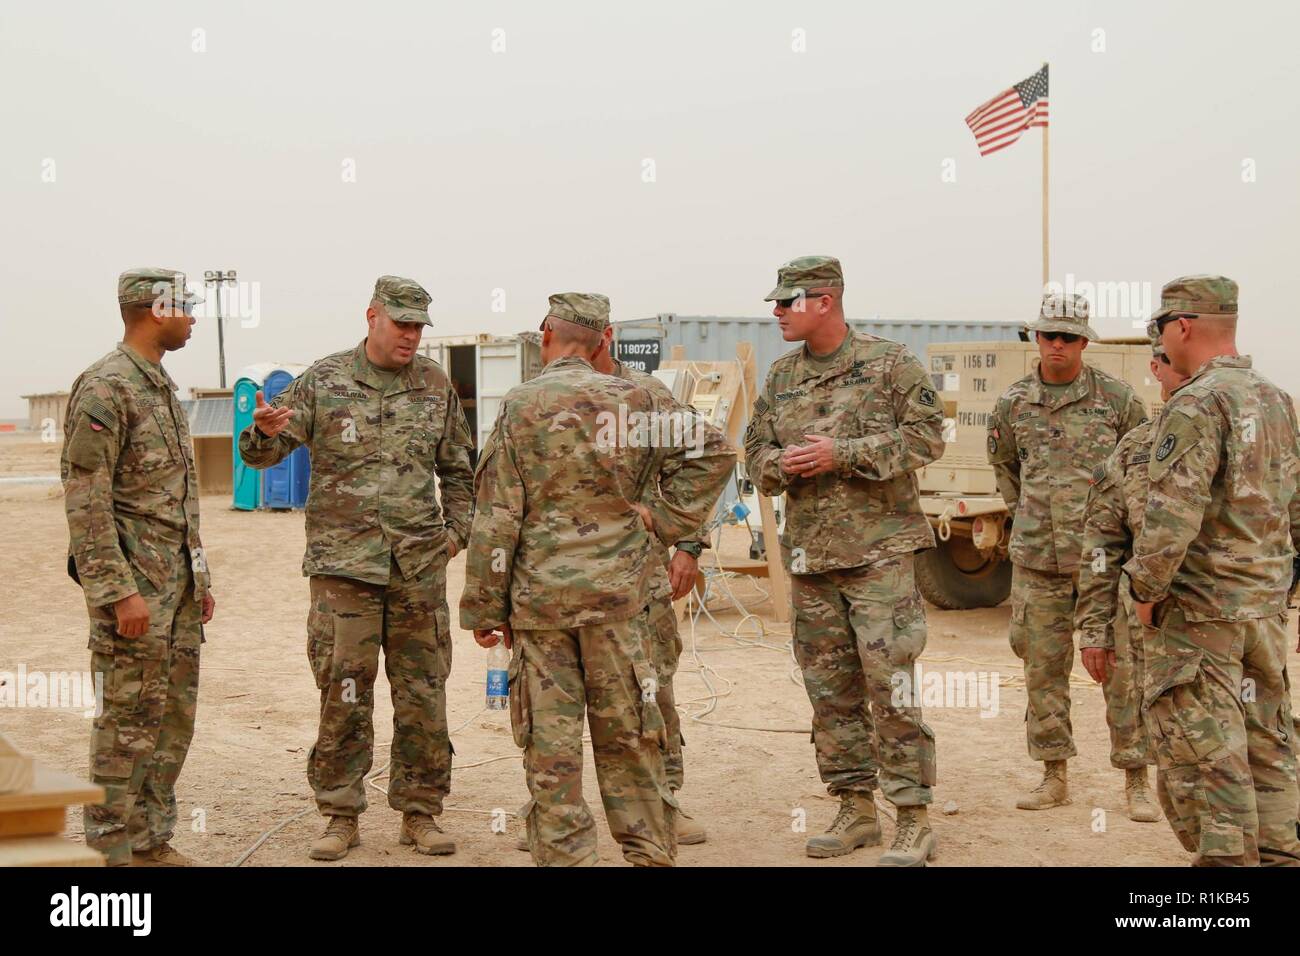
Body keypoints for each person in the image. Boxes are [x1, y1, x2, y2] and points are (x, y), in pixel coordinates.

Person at [461, 292, 734, 866]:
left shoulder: (520, 404)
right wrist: (666, 520)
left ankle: (567, 857)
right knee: (631, 733)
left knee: (551, 743)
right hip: (621, 602)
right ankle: (649, 852)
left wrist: (484, 608)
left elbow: (497, 516)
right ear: (603, 340)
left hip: (542, 608)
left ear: (546, 336)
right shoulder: (636, 399)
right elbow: (714, 450)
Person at [238, 275, 474, 860]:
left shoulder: (435, 384)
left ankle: (420, 813)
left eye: (419, 326)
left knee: (423, 694)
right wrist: (258, 434)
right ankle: (340, 815)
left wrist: (454, 538)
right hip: (344, 573)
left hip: (417, 570)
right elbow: (266, 454)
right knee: (343, 693)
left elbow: (460, 471)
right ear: (372, 316)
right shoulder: (323, 381)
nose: (412, 337)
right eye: (402, 324)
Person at [743, 256, 944, 865]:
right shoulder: (780, 378)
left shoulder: (891, 364)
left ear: (824, 300)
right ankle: (855, 807)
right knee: (830, 691)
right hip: (810, 559)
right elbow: (754, 453)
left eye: (787, 302)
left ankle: (912, 815)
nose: (776, 311)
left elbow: (929, 437)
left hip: (879, 557)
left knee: (892, 684)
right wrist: (785, 466)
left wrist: (844, 453)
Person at [1126, 275, 1300, 866]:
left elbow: (1169, 517)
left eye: (1162, 329)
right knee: (1267, 747)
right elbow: (1294, 509)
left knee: (1207, 760)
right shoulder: (1277, 400)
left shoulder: (1196, 404)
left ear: (1182, 326)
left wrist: (1144, 592)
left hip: (1202, 619)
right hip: (1264, 614)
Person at [62, 267, 215, 867]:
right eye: (186, 307)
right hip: (136, 596)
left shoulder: (157, 384)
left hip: (176, 596)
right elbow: (86, 497)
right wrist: (117, 592)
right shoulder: (106, 387)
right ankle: (112, 850)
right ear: (157, 309)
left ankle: (152, 839)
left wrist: (199, 580)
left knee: (172, 720)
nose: (194, 317)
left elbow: (176, 499)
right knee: (126, 722)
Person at [986, 293, 1147, 810]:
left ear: (1083, 341)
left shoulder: (1118, 401)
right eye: (1049, 334)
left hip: (1103, 563)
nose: (1058, 344)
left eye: (1069, 337)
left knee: (1121, 670)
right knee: (1042, 670)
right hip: (1037, 562)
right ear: (1037, 337)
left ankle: (1136, 778)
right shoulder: (1012, 403)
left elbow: (1140, 473)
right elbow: (1007, 469)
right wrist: (1030, 516)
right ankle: (1054, 775)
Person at [1073, 321, 1189, 822]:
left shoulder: (1237, 437)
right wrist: (1094, 629)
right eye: (1167, 363)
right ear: (1155, 368)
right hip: (1140, 609)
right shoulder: (1133, 450)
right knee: (1127, 693)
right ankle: (1136, 782)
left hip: (1211, 611)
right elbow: (1101, 544)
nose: (1179, 374)